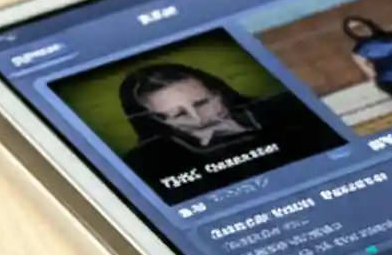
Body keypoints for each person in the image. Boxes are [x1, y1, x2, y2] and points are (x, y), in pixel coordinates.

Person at [118, 63, 342, 201]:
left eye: (203, 103)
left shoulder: (293, 111)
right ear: (156, 121)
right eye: (179, 115)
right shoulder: (145, 166)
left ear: (220, 92)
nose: (200, 119)